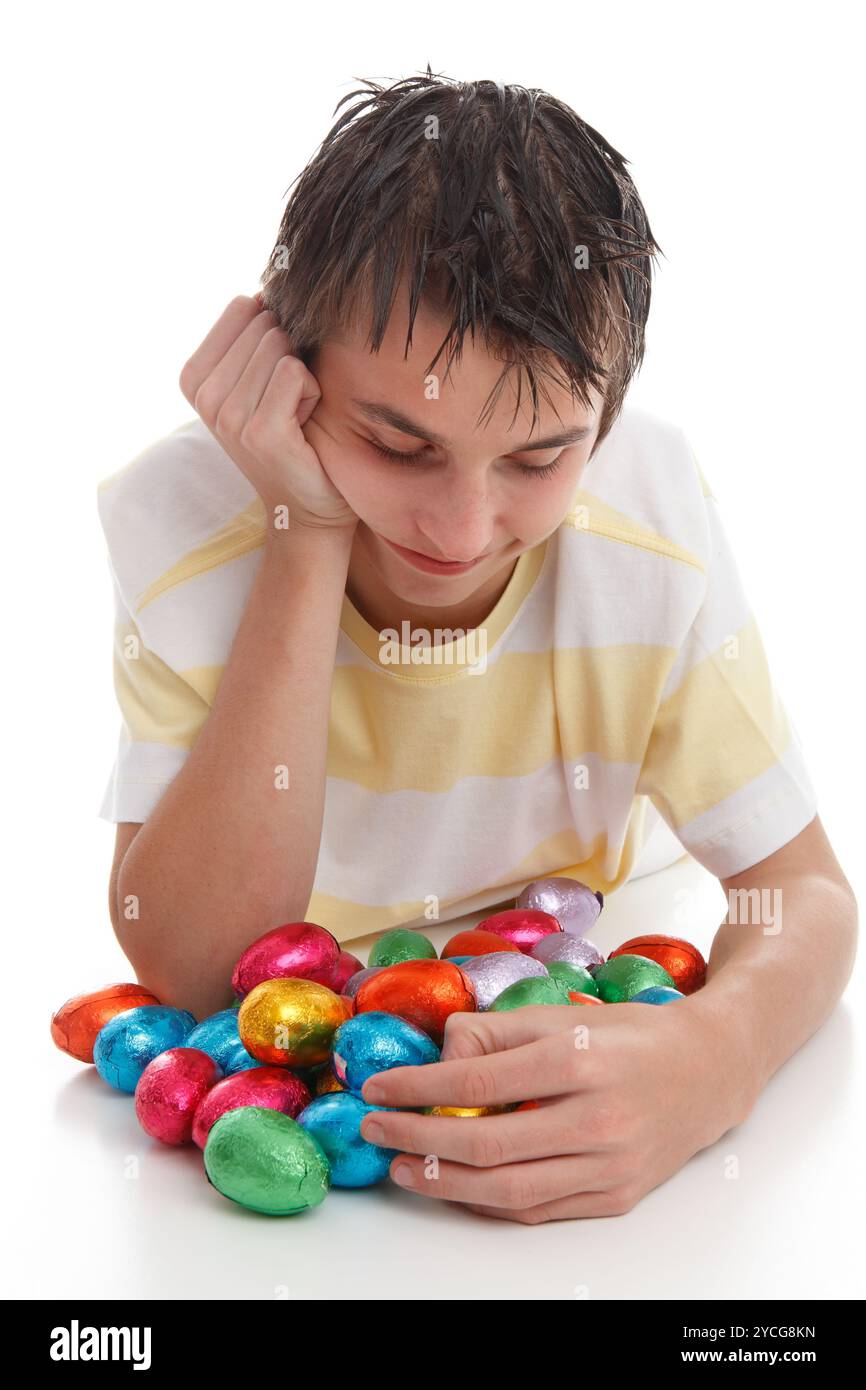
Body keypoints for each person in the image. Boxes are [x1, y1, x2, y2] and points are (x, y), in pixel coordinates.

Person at [96, 72, 857, 1223]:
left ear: (603, 427)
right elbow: (198, 967)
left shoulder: (644, 527)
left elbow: (801, 892)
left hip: (577, 939)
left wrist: (715, 1059)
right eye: (397, 445)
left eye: (538, 459)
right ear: (289, 379)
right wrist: (304, 537)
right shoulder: (190, 531)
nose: (457, 530)